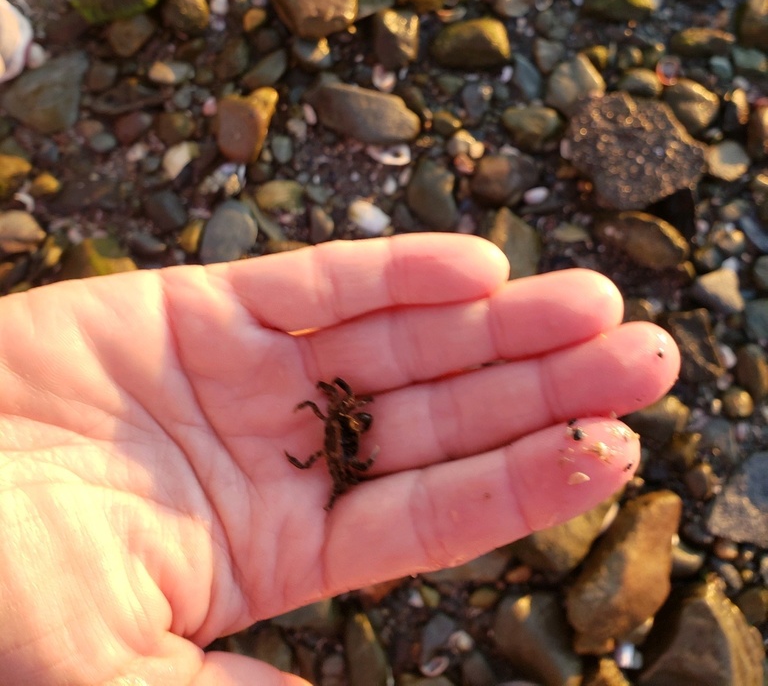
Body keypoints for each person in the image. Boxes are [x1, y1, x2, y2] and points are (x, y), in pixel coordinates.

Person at [0, 233, 679, 686]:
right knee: (336, 450)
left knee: (341, 452)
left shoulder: (346, 427)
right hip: (334, 454)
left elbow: (344, 423)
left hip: (341, 457)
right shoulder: (334, 421)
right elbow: (332, 421)